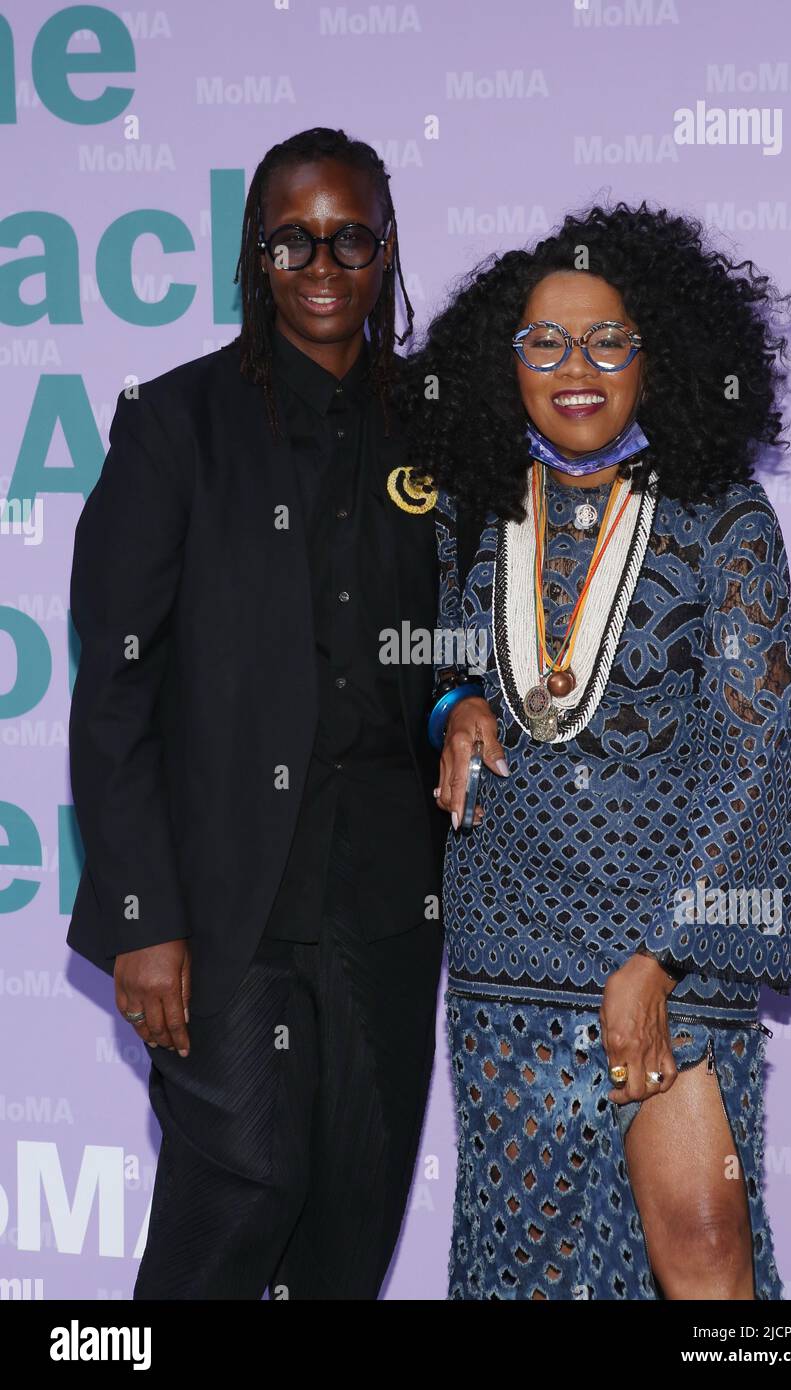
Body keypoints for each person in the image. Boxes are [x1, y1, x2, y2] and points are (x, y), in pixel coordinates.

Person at [399, 202, 791, 1300]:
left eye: (604, 340)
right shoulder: (469, 507)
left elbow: (752, 746)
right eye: (542, 342)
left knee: (703, 1238)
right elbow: (436, 651)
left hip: (671, 935)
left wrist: (663, 955)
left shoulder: (722, 517)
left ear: (654, 357)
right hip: (509, 936)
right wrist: (452, 705)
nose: (572, 367)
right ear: (506, 363)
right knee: (527, 1259)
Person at [67, 127, 445, 1300]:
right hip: (221, 907)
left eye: (349, 236)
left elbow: (474, 629)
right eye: (293, 236)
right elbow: (116, 681)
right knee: (241, 1190)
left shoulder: (439, 431)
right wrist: (141, 916)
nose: (321, 260)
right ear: (255, 254)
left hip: (387, 899)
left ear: (386, 251)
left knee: (349, 1216)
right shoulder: (174, 423)